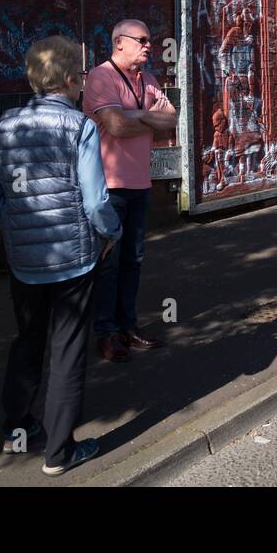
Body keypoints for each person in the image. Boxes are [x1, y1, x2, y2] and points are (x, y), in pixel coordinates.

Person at [0, 36, 121, 476]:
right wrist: (112, 233)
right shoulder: (80, 127)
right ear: (67, 80)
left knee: (27, 341)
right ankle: (60, 452)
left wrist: (16, 224)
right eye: (80, 76)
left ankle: (15, 427)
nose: (83, 82)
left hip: (25, 261)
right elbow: (96, 202)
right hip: (73, 260)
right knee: (66, 351)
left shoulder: (4, 126)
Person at [83, 19, 177, 363]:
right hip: (108, 186)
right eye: (142, 40)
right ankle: (105, 333)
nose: (148, 45)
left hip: (140, 184)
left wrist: (135, 114)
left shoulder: (148, 79)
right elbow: (115, 125)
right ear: (119, 43)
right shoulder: (101, 77)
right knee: (108, 264)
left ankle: (127, 326)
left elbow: (171, 119)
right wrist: (146, 115)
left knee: (133, 260)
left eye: (149, 40)